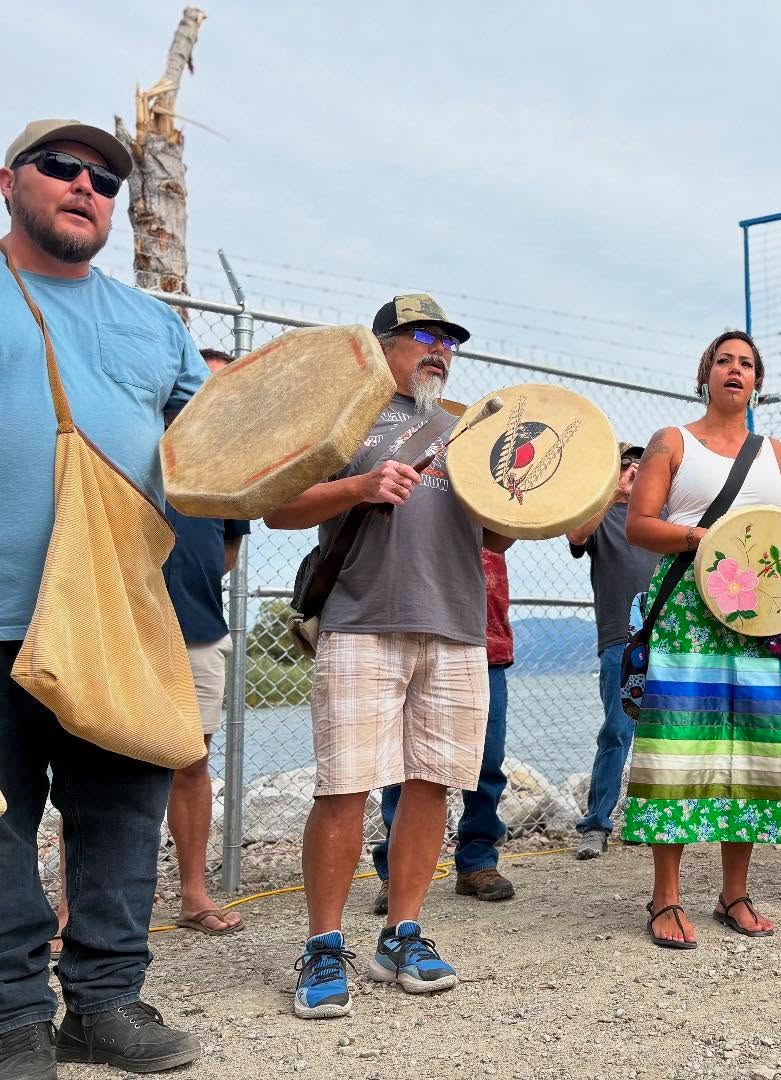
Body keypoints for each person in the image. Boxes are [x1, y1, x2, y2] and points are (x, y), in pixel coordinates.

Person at [0, 118, 206, 1076]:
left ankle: (106, 1003)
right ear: (10, 182)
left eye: (107, 178)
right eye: (61, 167)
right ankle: (10, 1018)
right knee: (0, 827)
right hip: (1, 614)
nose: (87, 185)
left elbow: (221, 453)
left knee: (123, 814)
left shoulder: (154, 325)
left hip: (120, 614)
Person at [265, 293, 509, 1018]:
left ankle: (404, 932)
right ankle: (323, 943)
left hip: (457, 627)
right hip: (362, 621)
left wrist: (524, 502)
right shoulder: (345, 418)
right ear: (381, 347)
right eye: (422, 336)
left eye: (449, 341)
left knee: (432, 782)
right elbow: (277, 507)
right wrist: (360, 485)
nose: (439, 349)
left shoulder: (468, 429)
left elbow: (499, 536)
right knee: (342, 788)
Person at [621, 329, 781, 947]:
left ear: (757, 382)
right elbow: (639, 525)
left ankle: (734, 892)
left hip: (764, 614)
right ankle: (665, 898)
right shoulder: (671, 442)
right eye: (723, 361)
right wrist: (700, 542)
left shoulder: (775, 453)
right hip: (688, 607)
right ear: (704, 374)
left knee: (758, 745)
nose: (735, 370)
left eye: (746, 364)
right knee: (680, 746)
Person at [372, 548, 517, 907]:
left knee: (486, 759)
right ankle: (396, 870)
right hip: (414, 628)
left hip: (484, 639)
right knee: (406, 763)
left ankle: (477, 860)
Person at [162, 347, 250, 937]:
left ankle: (193, 895)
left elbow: (225, 553)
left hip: (200, 630)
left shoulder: (231, 468)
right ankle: (73, 908)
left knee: (193, 764)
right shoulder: (137, 446)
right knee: (99, 767)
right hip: (123, 627)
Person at [567, 441, 659, 860]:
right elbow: (575, 535)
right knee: (617, 731)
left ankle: (647, 819)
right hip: (620, 639)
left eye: (641, 467)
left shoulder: (660, 521)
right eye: (627, 466)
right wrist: (614, 492)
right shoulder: (601, 517)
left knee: (662, 735)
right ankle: (597, 822)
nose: (635, 471)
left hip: (669, 640)